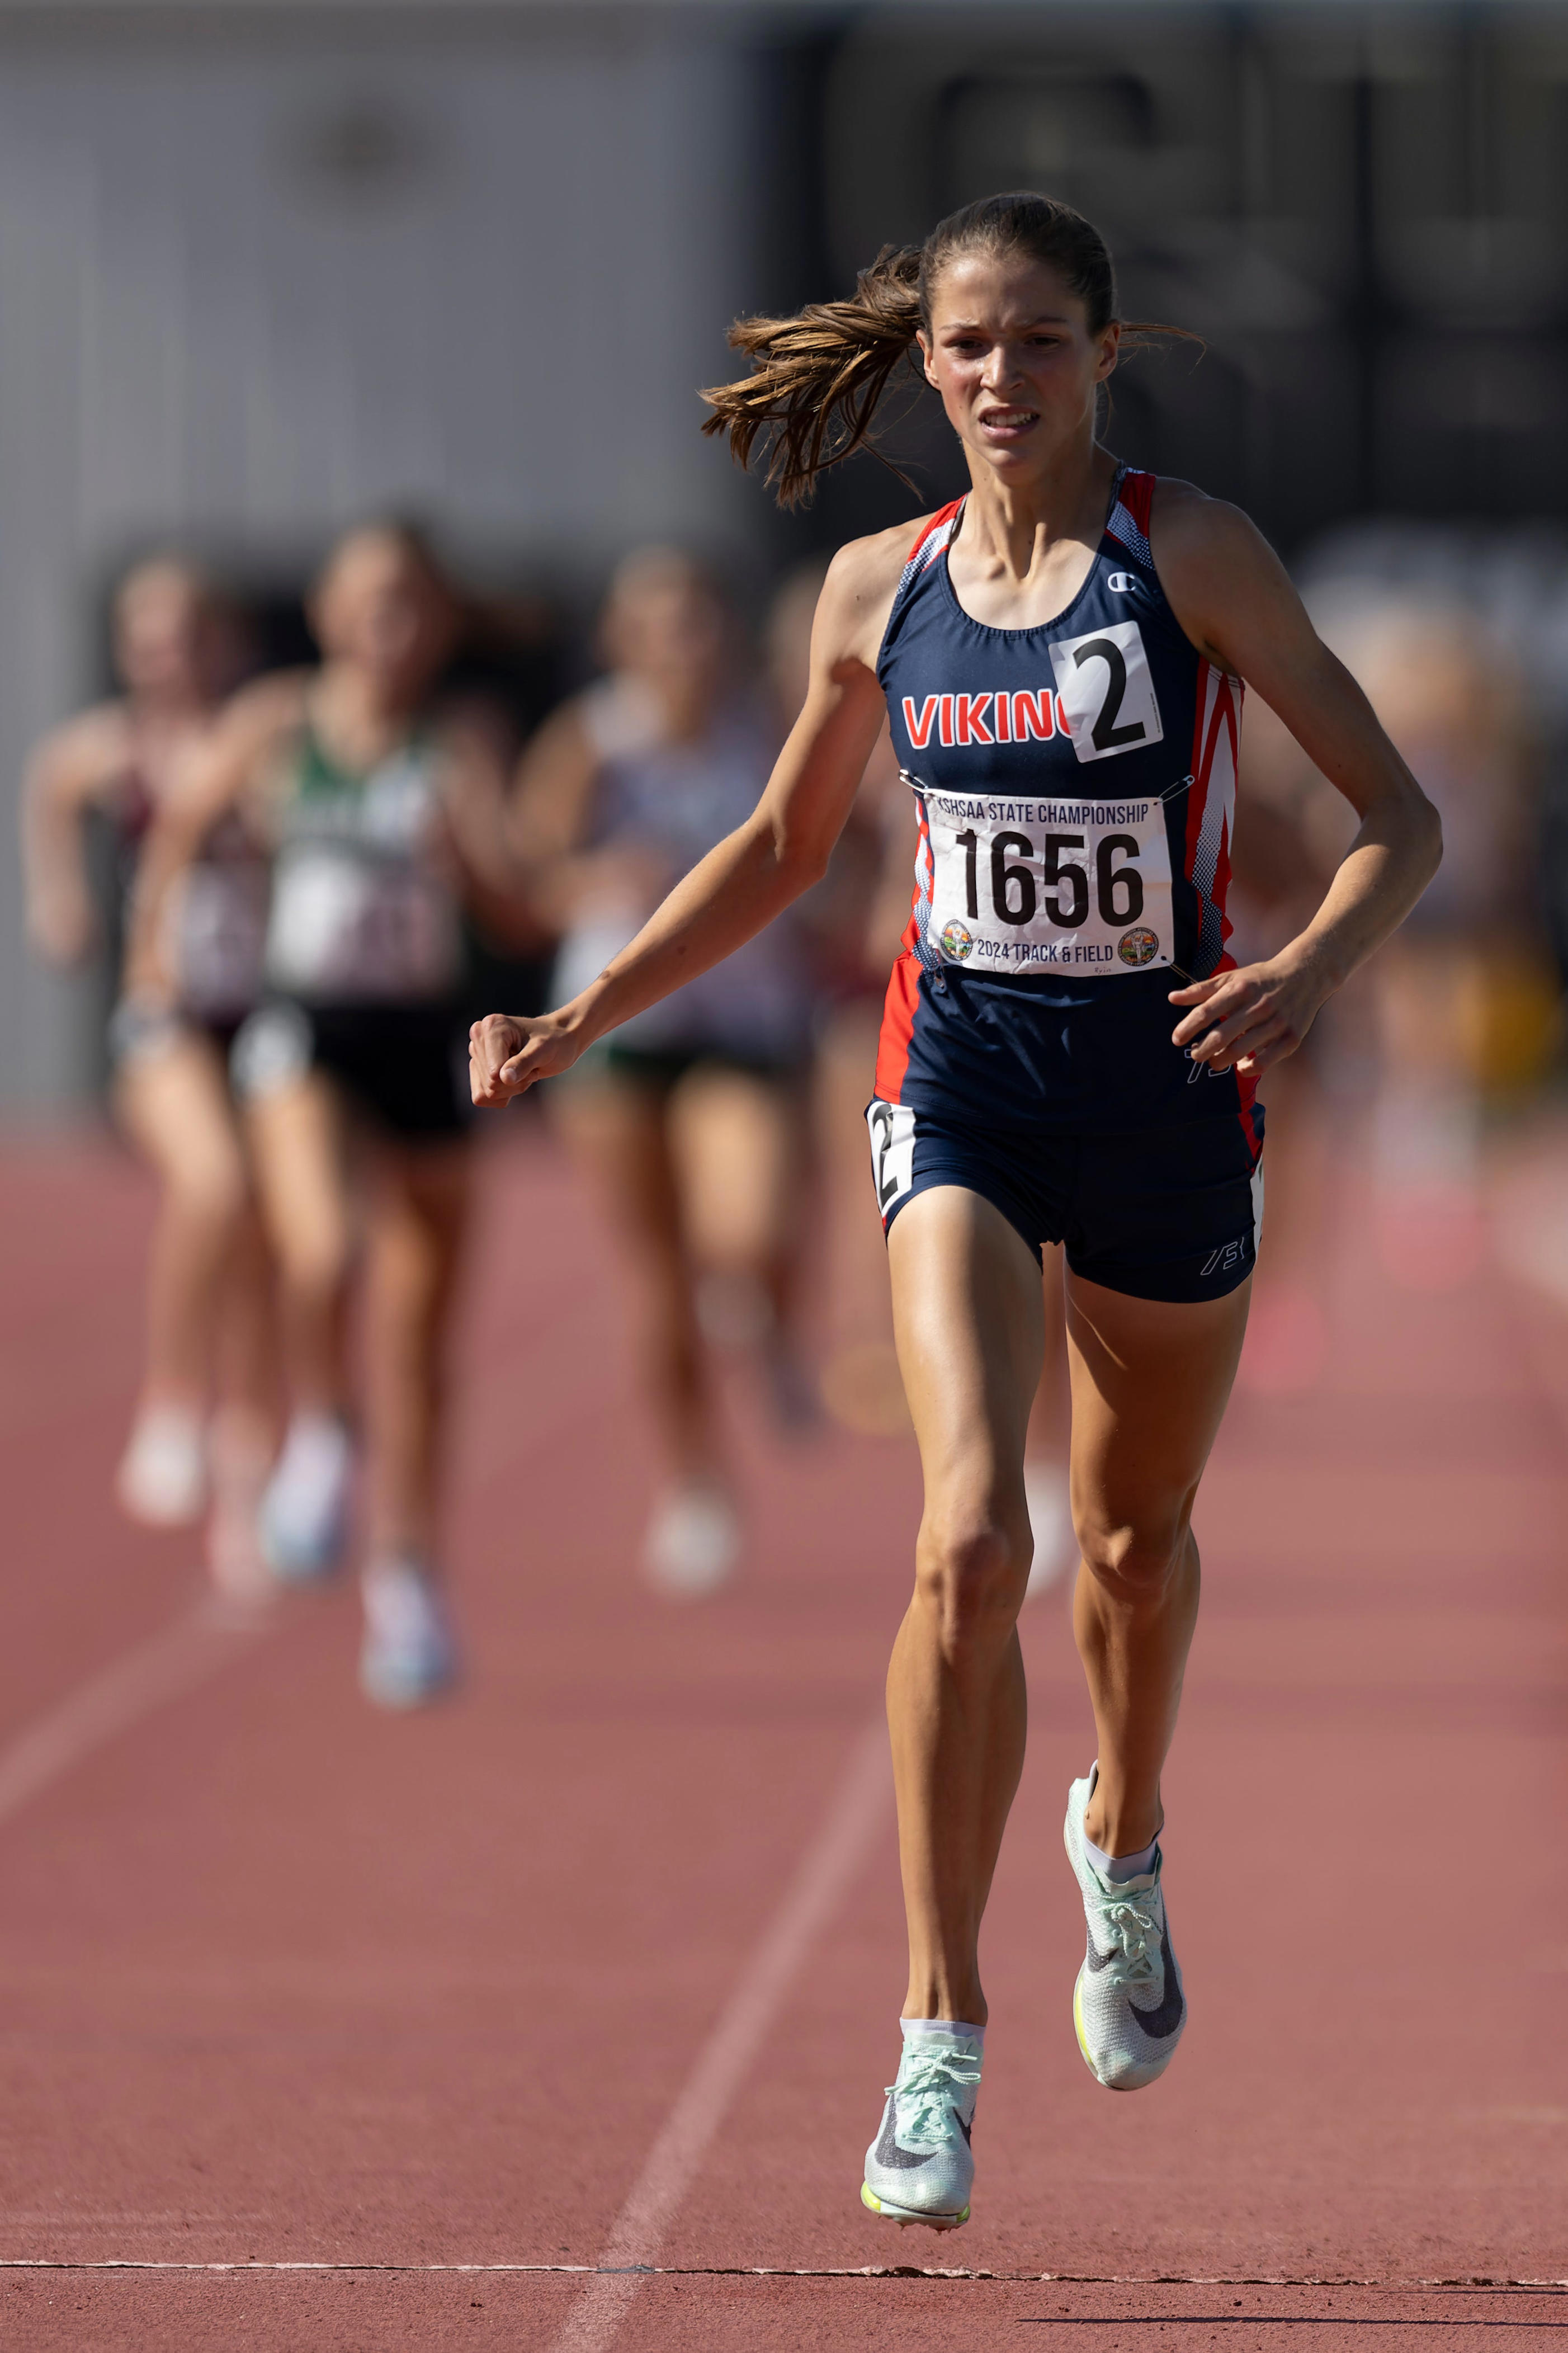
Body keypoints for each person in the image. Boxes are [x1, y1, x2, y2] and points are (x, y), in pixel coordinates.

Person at [470, 193, 1441, 2228]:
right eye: (971, 346)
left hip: (1170, 1091)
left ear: (1106, 353)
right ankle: (935, 2034)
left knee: (1131, 1540)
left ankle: (1129, 1834)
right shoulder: (866, 592)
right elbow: (775, 844)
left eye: (1042, 343)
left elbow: (1398, 820)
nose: (1005, 379)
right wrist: (586, 1006)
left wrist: (1307, 970)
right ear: (926, 363)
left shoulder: (1188, 555)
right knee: (968, 1534)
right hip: (961, 1081)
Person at [131, 522, 519, 1704]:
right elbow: (179, 833)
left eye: (412, 605)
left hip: (420, 1039)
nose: (390, 627)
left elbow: (514, 909)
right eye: (369, 603)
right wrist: (150, 965)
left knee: (421, 1341)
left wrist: (478, 867)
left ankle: (406, 1578)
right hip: (303, 1023)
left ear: (441, 623)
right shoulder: (275, 727)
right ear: (330, 614)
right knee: (321, 1243)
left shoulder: (457, 745)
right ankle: (321, 1435)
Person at [511, 548, 816, 1597]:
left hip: (745, 1022)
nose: (685, 642)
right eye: (660, 624)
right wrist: (593, 876)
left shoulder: (769, 730)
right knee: (657, 1282)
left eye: (698, 619)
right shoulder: (593, 743)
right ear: (622, 642)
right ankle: (694, 1485)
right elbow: (524, 874)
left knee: (753, 1223)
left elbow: (824, 842)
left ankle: (769, 1319)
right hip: (622, 1034)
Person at [22, 556, 278, 1590]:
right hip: (164, 1016)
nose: (166, 655)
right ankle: (175, 1398)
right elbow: (48, 787)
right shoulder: (107, 748)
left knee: (265, 1258)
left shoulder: (258, 737)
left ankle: (246, 1491)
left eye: (186, 634)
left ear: (221, 642)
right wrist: (57, 898)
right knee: (213, 1186)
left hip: (266, 1012)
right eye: (147, 636)